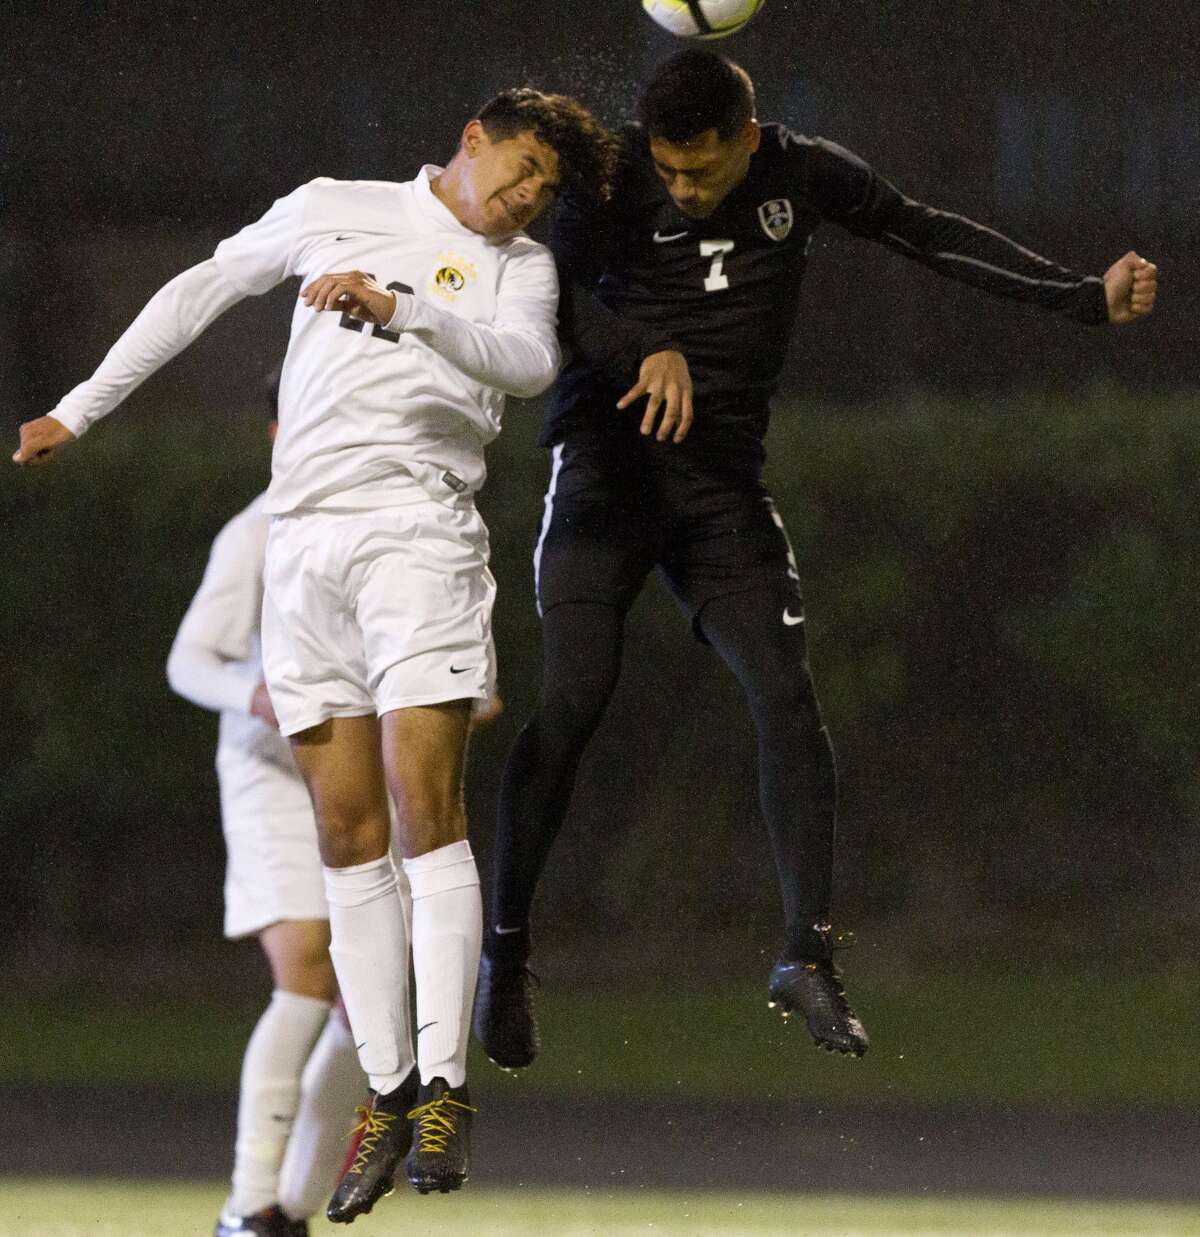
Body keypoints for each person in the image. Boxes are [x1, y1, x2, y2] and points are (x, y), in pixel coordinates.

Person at [473, 50, 1158, 1072]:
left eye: (703, 170)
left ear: (749, 140)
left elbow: (928, 233)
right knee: (575, 696)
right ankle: (505, 953)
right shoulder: (616, 178)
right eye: (669, 170)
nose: (683, 188)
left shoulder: (803, 173)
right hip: (606, 474)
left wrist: (1081, 297)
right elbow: (549, 293)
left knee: (785, 693)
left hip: (720, 488)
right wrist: (643, 345)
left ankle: (804, 953)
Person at [14, 87, 614, 1223]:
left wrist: (402, 309)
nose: (530, 197)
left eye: (549, 188)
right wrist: (80, 409)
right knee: (345, 830)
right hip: (302, 548)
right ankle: (386, 1091)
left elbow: (528, 363)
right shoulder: (333, 204)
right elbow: (201, 289)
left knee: (424, 806)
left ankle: (446, 1086)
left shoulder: (521, 267)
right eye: (525, 167)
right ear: (473, 138)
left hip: (417, 534)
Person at [166, 381, 368, 1237]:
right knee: (310, 969)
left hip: (361, 779)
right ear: (282, 429)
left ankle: (288, 1208)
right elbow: (187, 659)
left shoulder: (383, 524)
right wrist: (255, 695)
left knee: (371, 1009)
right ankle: (247, 1204)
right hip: (273, 779)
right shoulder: (254, 533)